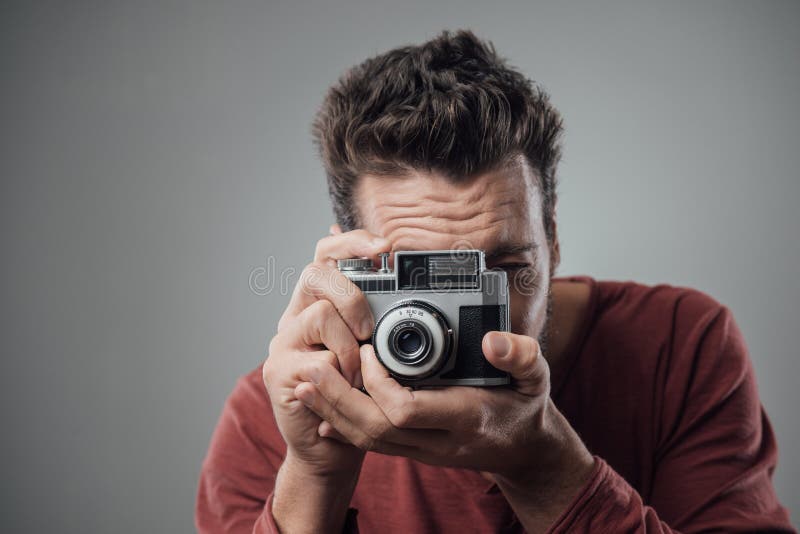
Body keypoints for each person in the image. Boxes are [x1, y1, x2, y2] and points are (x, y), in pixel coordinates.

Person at [196, 30, 793, 533]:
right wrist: (313, 476)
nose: (470, 322)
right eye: (421, 277)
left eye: (503, 271)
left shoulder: (677, 347)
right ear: (348, 268)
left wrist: (542, 464)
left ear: (552, 238)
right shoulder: (281, 412)